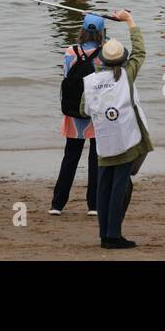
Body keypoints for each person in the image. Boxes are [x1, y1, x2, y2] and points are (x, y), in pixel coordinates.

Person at [81, 10, 151, 248]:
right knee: (120, 187)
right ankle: (113, 236)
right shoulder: (126, 76)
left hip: (104, 141)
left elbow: (83, 110)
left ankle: (105, 234)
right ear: (122, 59)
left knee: (104, 187)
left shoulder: (91, 81)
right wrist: (130, 21)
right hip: (125, 140)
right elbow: (140, 51)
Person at [50, 13, 104, 218]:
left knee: (70, 157)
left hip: (73, 111)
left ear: (82, 30)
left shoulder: (70, 51)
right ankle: (94, 205)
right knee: (95, 159)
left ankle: (57, 204)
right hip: (96, 112)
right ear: (101, 32)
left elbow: (66, 75)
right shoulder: (105, 53)